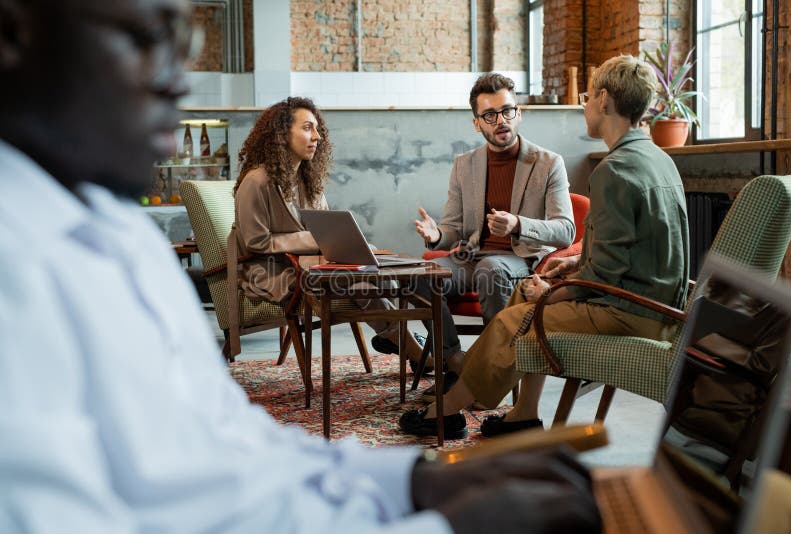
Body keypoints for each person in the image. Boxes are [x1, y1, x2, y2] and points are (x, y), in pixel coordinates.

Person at [0, 0, 601, 532]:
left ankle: (454, 373)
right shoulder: (18, 269)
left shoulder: (121, 235)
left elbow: (226, 445)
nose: (175, 79)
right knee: (436, 279)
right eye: (139, 35)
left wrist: (409, 483)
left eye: (181, 43)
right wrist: (441, 523)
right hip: (318, 271)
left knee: (441, 279)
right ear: (14, 35)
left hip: (507, 261)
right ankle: (447, 367)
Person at [400, 55, 690, 439]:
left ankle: (448, 410)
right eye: (490, 115)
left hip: (628, 311)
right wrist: (570, 269)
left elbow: (597, 266)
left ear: (604, 101)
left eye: (587, 97)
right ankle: (523, 412)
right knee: (520, 292)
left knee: (510, 319)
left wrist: (552, 291)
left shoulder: (612, 170)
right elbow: (622, 252)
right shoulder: (658, 159)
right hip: (654, 303)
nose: (585, 105)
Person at [412, 72, 575, 393]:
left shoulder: (548, 163)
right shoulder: (464, 165)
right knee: (421, 275)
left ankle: (492, 372)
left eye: (507, 110)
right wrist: (436, 237)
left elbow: (566, 230)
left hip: (519, 260)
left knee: (492, 268)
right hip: (472, 256)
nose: (501, 120)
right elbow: (453, 227)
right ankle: (455, 362)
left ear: (519, 113)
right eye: (490, 115)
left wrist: (518, 224)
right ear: (477, 123)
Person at [233, 96, 424, 366]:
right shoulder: (256, 181)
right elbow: (255, 241)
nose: (318, 136)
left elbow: (326, 231)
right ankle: (416, 352)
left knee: (381, 277)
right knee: (361, 284)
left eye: (317, 129)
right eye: (308, 128)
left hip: (315, 266)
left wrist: (351, 245)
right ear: (281, 134)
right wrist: (314, 241)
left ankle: (401, 342)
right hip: (272, 271)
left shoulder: (309, 181)